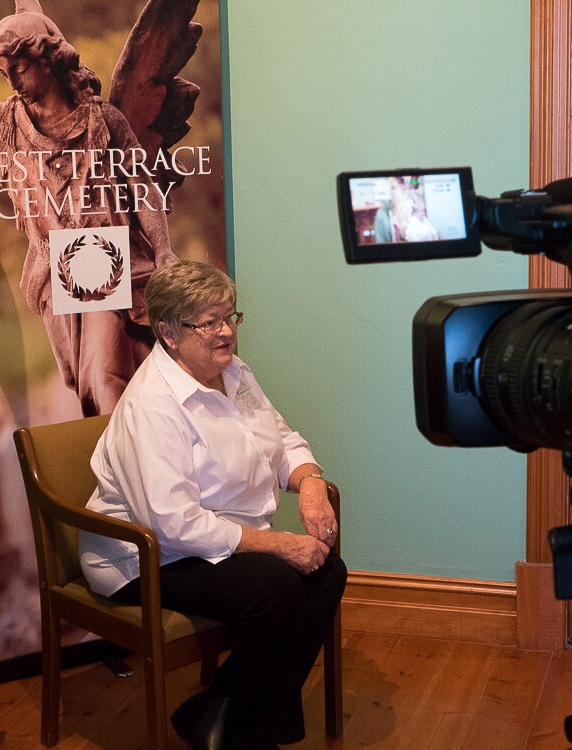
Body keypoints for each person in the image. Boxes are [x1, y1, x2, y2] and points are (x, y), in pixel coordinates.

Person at [79, 260, 347, 750]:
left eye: (230, 317)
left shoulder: (233, 372)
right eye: (209, 323)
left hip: (213, 538)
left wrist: (308, 482)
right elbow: (172, 524)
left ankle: (219, 714)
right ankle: (248, 730)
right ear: (168, 332)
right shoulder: (152, 406)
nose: (225, 332)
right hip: (145, 554)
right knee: (273, 587)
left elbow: (281, 437)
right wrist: (278, 545)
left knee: (328, 572)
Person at [0, 4, 177, 416]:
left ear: (47, 60)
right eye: (4, 72)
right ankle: (118, 465)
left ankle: (124, 468)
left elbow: (143, 189)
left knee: (105, 376)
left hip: (103, 256)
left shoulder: (104, 120)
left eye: (19, 67)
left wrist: (163, 249)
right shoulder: (1, 123)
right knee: (87, 385)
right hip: (51, 270)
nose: (12, 80)